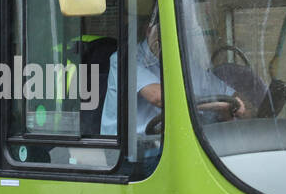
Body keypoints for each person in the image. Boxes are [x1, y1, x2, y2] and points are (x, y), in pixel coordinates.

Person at [101, 17, 250, 135]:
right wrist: (217, 105)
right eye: (164, 31)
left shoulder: (184, 62)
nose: (171, 38)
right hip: (132, 154)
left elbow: (227, 94)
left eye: (176, 32)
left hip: (170, 145)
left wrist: (238, 106)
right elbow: (159, 97)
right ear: (148, 31)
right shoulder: (124, 58)